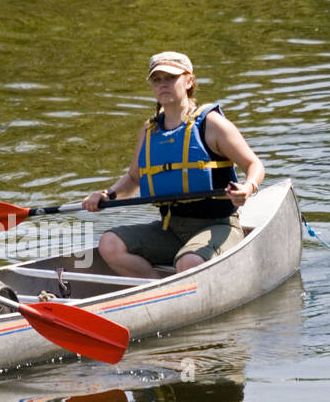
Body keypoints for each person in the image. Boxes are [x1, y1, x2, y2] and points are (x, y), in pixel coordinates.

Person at [82, 52, 264, 277]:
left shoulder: (212, 124)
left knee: (188, 263)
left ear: (189, 81)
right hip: (171, 229)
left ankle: (183, 286)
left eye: (170, 78)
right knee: (109, 244)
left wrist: (248, 188)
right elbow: (134, 178)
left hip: (218, 226)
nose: (163, 85)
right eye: (156, 80)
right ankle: (156, 291)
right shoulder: (150, 130)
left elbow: (254, 164)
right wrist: (106, 195)